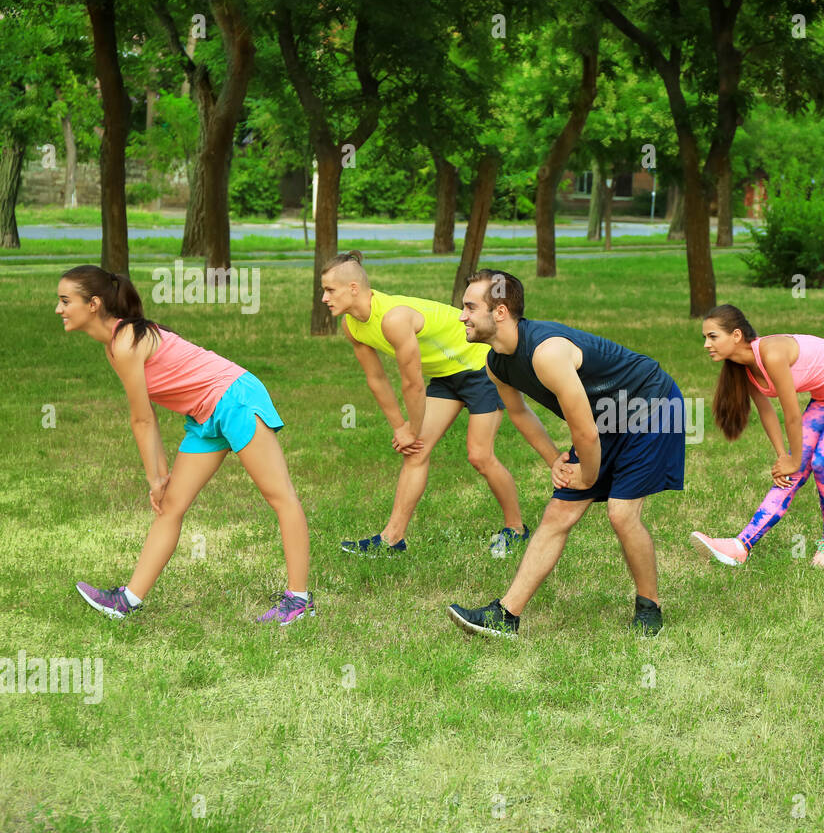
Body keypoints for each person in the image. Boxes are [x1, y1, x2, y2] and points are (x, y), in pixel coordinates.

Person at [58, 265, 313, 624]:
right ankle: (128, 600)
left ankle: (299, 600)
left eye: (65, 301)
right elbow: (145, 420)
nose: (59, 309)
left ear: (94, 303)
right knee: (170, 506)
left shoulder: (127, 340)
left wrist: (155, 478)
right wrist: (161, 479)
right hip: (204, 414)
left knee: (279, 495)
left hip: (233, 398)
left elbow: (143, 419)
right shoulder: (115, 346)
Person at [447, 270, 685, 637]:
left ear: (500, 312)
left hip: (650, 405)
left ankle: (649, 606)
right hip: (605, 418)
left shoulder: (547, 353)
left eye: (469, 306)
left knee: (621, 513)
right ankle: (505, 616)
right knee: (559, 511)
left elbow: (586, 431)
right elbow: (520, 412)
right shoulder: (496, 364)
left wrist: (588, 476)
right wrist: (554, 459)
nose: (461, 314)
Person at [320, 251, 527, 556]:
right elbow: (376, 379)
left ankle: (516, 529)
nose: (324, 298)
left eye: (329, 290)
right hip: (446, 376)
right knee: (416, 452)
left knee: (480, 455)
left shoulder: (394, 318)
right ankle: (392, 540)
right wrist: (401, 428)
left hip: (480, 367)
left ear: (353, 288)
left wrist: (412, 427)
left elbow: (412, 382)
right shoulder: (353, 326)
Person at [689, 305, 824, 569]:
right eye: (705, 338)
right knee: (792, 470)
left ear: (735, 335)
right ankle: (740, 546)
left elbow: (791, 413)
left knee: (823, 461)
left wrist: (794, 459)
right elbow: (767, 412)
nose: (706, 344)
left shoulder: (772, 353)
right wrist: (784, 456)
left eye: (712, 336)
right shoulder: (743, 368)